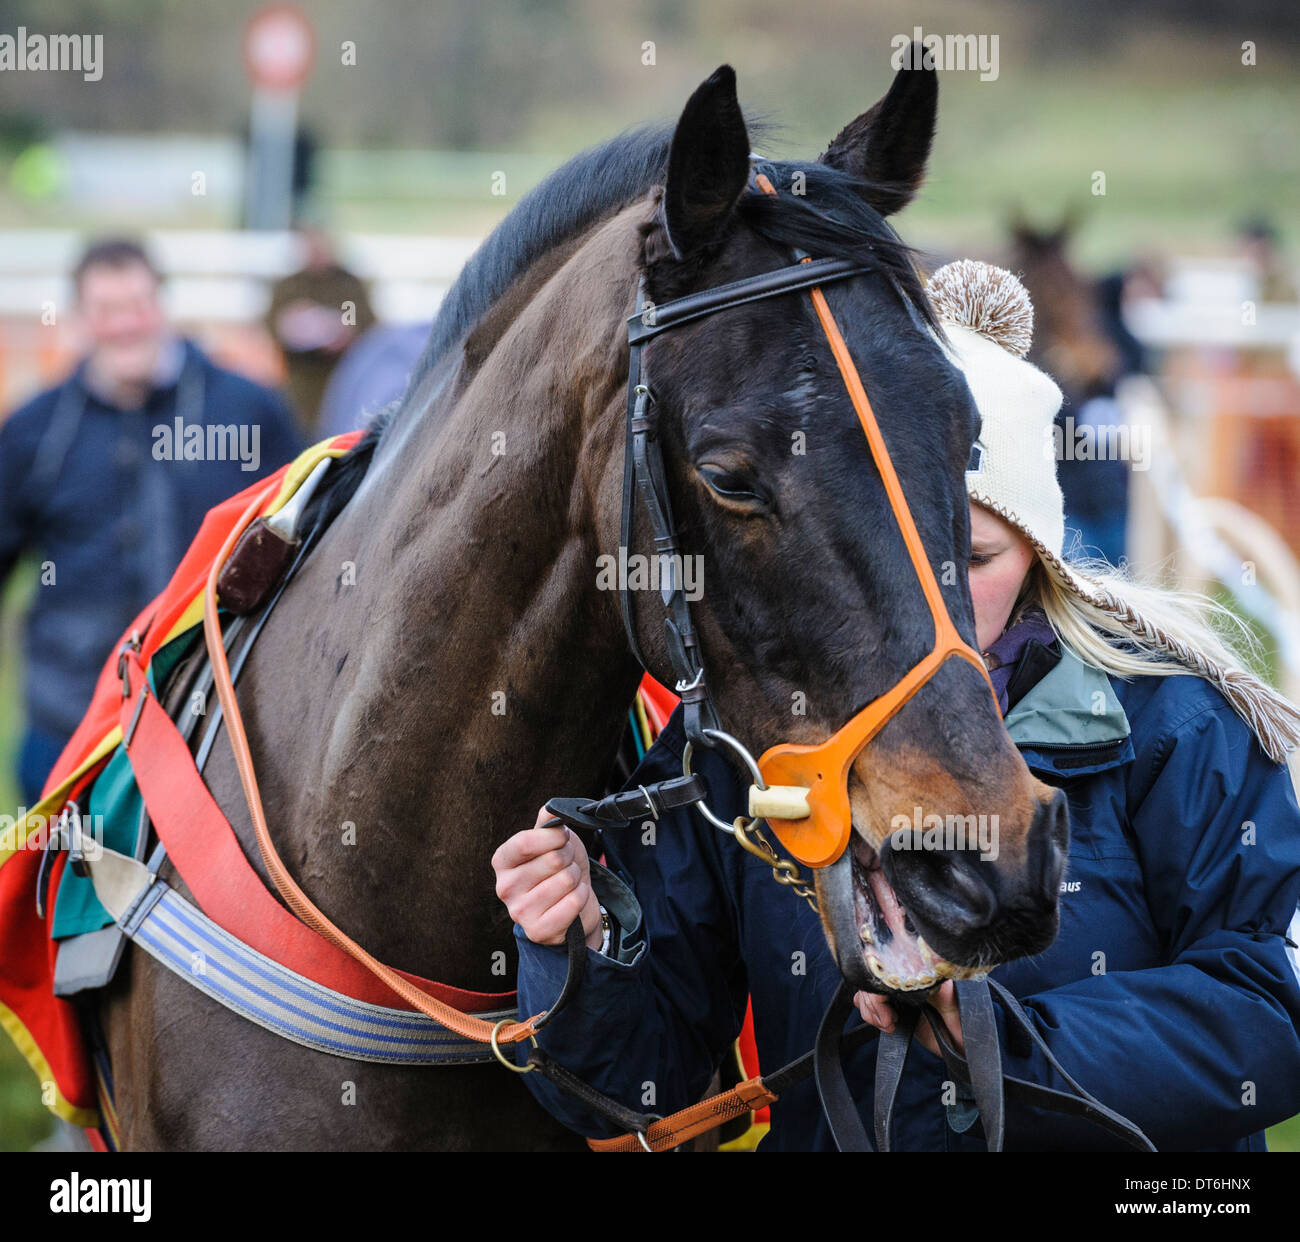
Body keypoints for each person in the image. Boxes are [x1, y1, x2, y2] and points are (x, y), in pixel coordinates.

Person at [492, 260, 1300, 1151]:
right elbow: (646, 1094)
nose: (932, 603)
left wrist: (1007, 1046)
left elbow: (1271, 1012)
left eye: (973, 555)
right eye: (905, 554)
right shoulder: (747, 738)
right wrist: (589, 944)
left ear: (1039, 553)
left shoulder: (1174, 721)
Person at [0, 237, 303, 806]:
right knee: (55, 886)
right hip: (67, 722)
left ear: (162, 305)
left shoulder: (248, 411)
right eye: (106, 310)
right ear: (80, 319)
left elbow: (310, 535)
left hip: (213, 717)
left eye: (137, 305)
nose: (124, 325)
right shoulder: (34, 431)